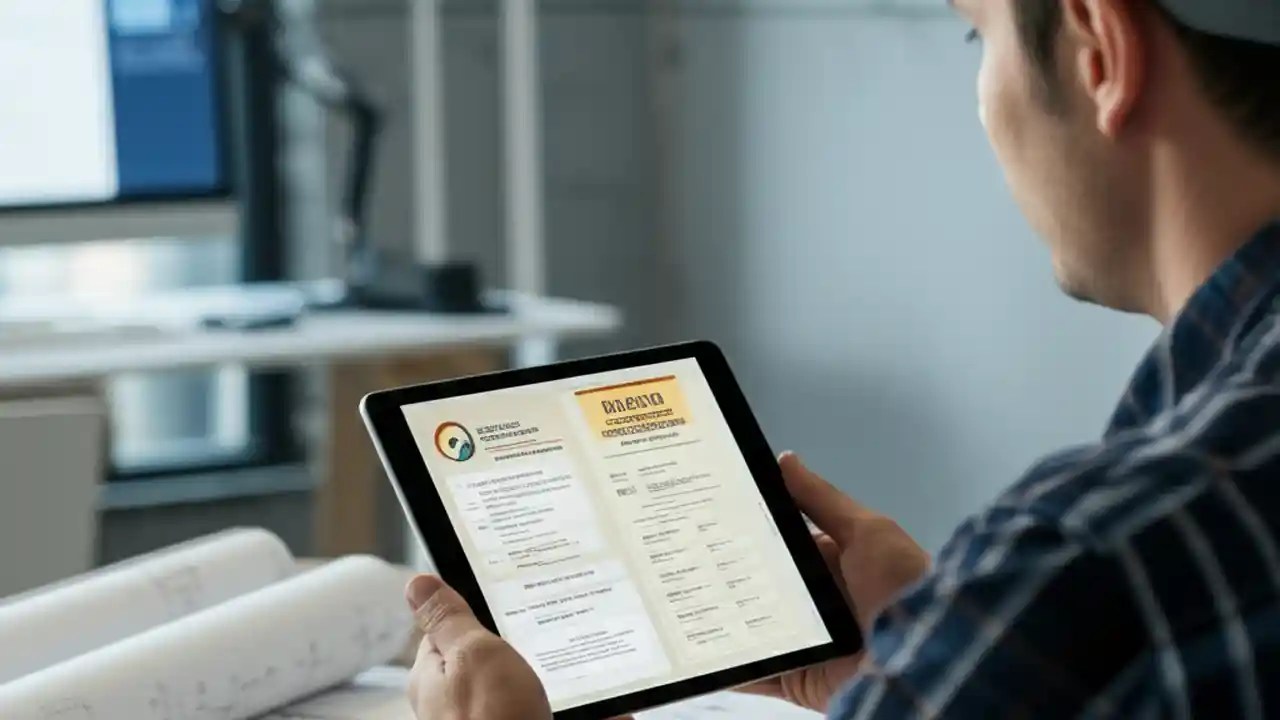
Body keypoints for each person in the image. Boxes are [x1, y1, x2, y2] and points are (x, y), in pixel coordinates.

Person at [401, 0, 1280, 716]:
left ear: (1099, 50)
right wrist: (936, 666)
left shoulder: (1101, 558)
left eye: (980, 35)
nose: (981, 97)